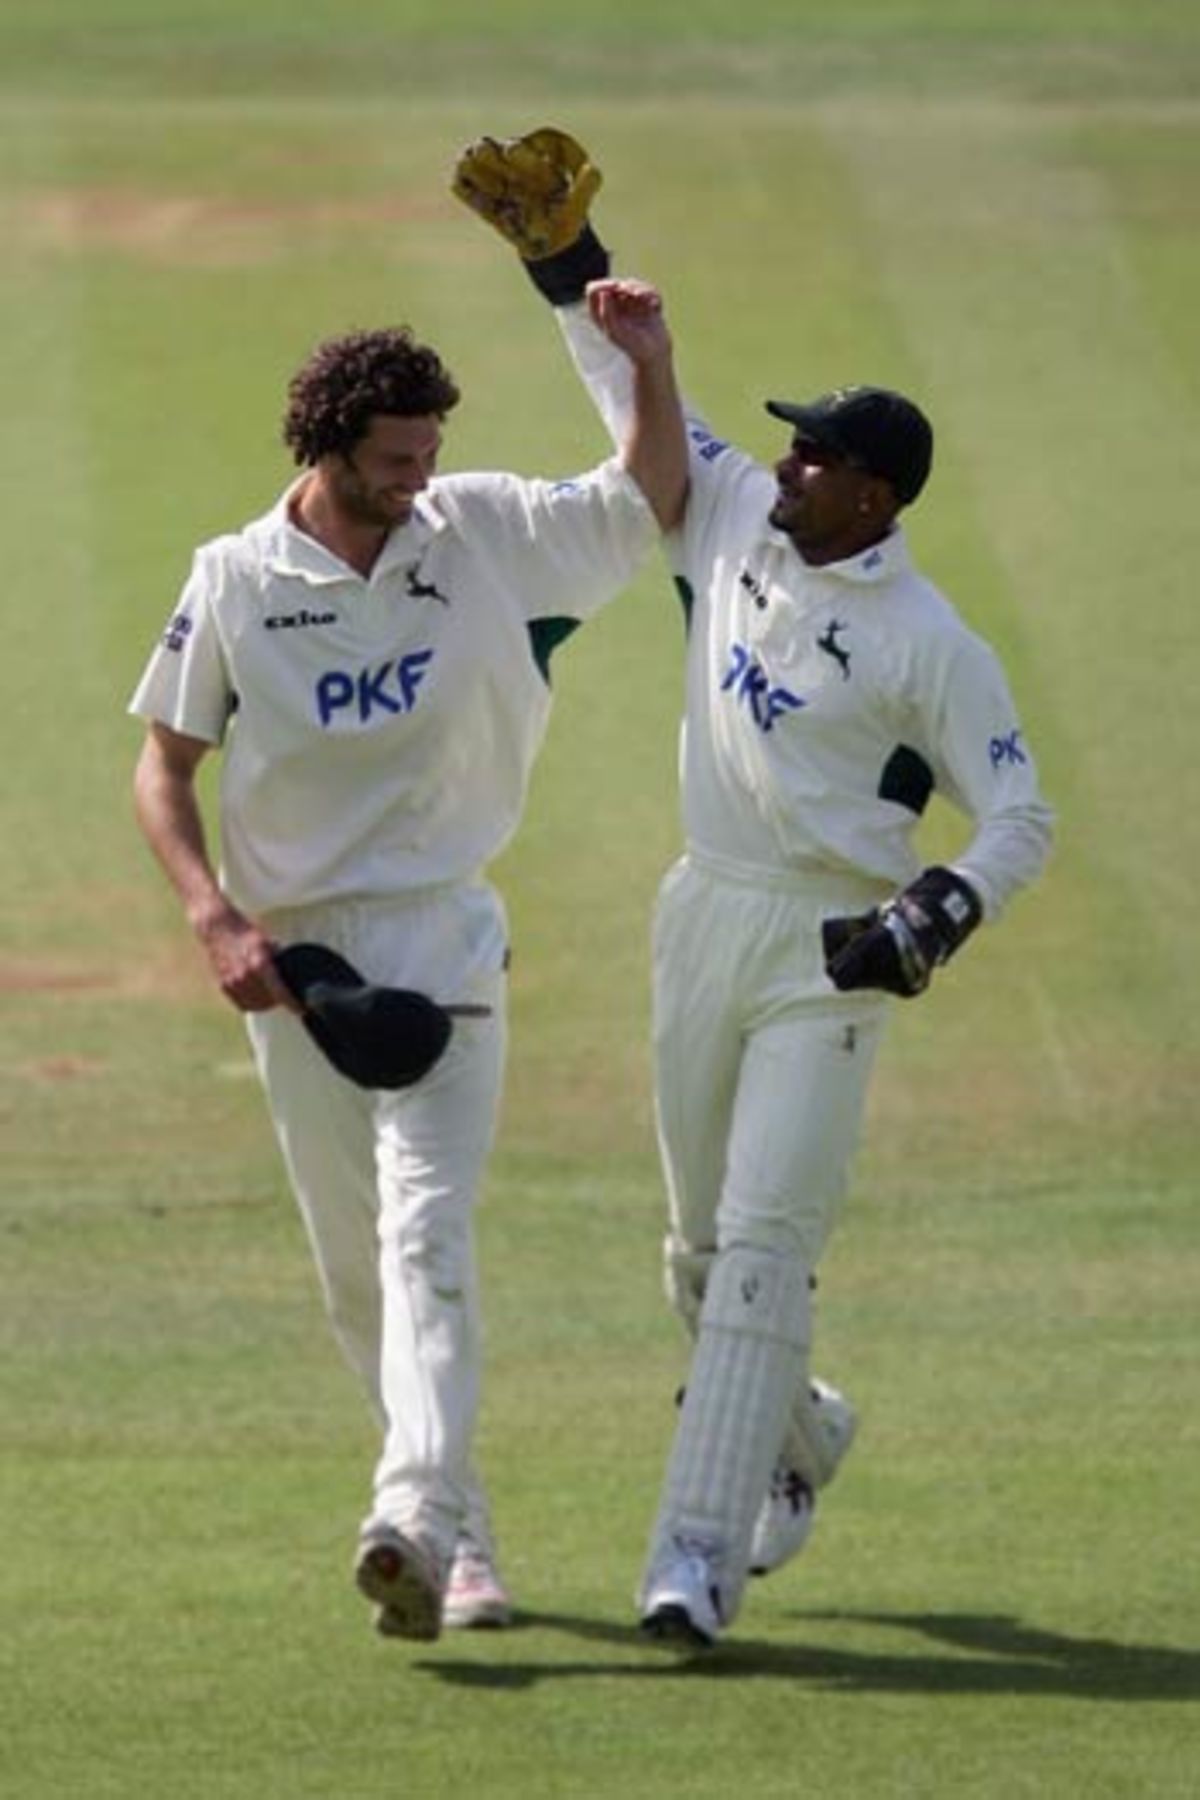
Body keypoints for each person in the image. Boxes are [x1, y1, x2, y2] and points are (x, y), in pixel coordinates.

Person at [453, 130, 1055, 1650]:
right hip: (701, 912)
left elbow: (1023, 813)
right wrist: (566, 267)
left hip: (830, 949)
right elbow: (628, 399)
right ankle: (805, 1427)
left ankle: (694, 1561)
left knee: (766, 1251)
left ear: (874, 493)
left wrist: (931, 916)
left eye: (813, 457)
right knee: (700, 1256)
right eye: (785, 447)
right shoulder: (731, 517)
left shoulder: (931, 640)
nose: (781, 464)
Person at [129, 306, 687, 1642]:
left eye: (432, 446)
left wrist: (652, 366)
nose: (419, 474)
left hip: (445, 939)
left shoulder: (486, 529)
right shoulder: (234, 576)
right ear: (325, 449)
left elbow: (652, 497)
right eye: (394, 455)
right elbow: (163, 764)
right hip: (301, 966)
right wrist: (215, 919)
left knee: (425, 1237)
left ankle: (412, 1520)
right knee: (351, 1275)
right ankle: (462, 1538)